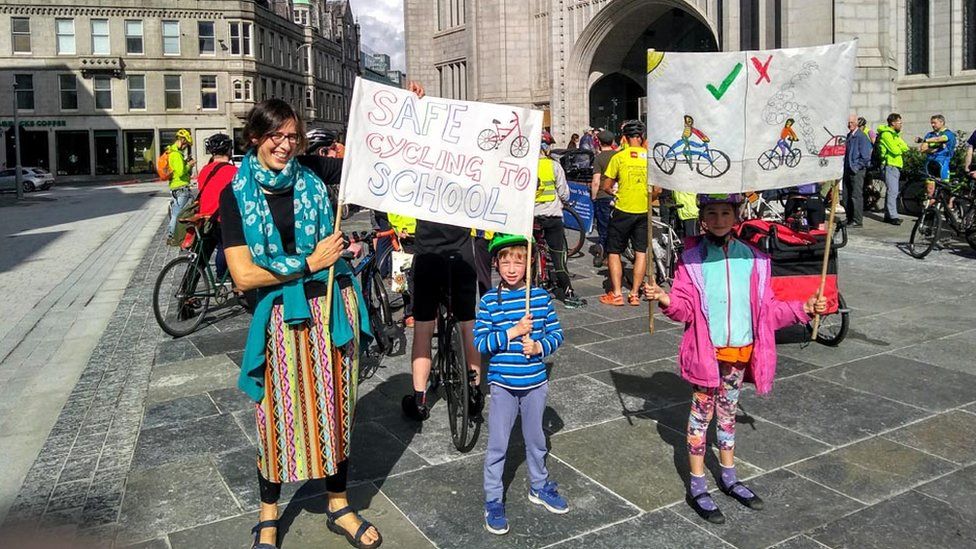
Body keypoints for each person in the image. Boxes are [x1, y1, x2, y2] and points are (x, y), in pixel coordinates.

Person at [219, 99, 379, 549]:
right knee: (275, 415)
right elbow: (243, 275)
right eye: (276, 135)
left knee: (337, 407)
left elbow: (373, 161)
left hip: (332, 305)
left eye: (292, 136)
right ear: (255, 137)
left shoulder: (309, 171)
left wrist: (406, 110)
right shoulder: (235, 194)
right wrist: (309, 262)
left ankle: (339, 504)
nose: (286, 145)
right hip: (278, 314)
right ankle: (268, 516)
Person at [643, 193, 827, 525]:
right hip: (707, 354)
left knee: (727, 416)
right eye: (711, 213)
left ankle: (729, 477)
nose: (719, 220)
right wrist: (665, 298)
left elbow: (768, 311)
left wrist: (804, 308)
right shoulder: (691, 260)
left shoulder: (755, 259)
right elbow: (686, 309)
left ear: (736, 216)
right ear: (702, 218)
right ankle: (698, 485)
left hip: (739, 355)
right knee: (701, 419)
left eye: (725, 213)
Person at [476, 234, 567, 535]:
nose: (512, 268)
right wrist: (513, 332)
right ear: (496, 264)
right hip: (503, 384)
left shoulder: (539, 298)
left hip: (534, 383)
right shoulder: (489, 301)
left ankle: (539, 485)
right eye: (505, 262)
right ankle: (493, 499)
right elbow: (481, 343)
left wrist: (539, 346)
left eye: (518, 261)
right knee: (498, 444)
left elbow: (556, 334)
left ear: (529, 263)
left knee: (536, 438)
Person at [401, 217, 484, 422]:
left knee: (424, 326)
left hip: (428, 254)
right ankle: (474, 392)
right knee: (468, 323)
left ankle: (419, 399)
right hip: (461, 254)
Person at [599, 120, 649, 307]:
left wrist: (615, 192)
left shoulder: (619, 157)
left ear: (625, 138)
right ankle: (635, 294)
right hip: (643, 210)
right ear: (641, 137)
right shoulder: (650, 158)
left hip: (623, 209)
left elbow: (606, 185)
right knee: (641, 252)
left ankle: (617, 293)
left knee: (614, 251)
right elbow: (657, 190)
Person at [536, 141, 586, 308]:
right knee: (558, 256)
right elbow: (564, 193)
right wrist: (563, 201)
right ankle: (568, 292)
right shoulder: (553, 166)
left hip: (531, 218)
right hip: (552, 215)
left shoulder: (526, 166)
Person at [196, 133, 237, 280]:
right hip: (221, 218)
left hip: (205, 219)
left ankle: (187, 288)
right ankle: (222, 278)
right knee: (226, 247)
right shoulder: (233, 172)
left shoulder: (204, 170)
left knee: (201, 257)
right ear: (229, 150)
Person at [876, 113, 910, 225]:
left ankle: (888, 215)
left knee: (891, 191)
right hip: (889, 165)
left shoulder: (895, 134)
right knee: (893, 192)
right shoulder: (886, 134)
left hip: (895, 165)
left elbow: (905, 147)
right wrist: (898, 147)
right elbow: (895, 150)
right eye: (899, 122)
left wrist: (898, 147)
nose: (901, 125)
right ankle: (893, 216)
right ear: (893, 123)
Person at [590, 130, 617, 267]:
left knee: (603, 226)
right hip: (617, 195)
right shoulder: (618, 156)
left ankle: (603, 253)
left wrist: (594, 196)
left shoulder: (599, 158)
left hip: (603, 195)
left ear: (599, 143)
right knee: (615, 226)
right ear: (612, 142)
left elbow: (596, 181)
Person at [166, 128, 196, 242]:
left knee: (176, 212)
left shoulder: (171, 152)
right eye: (186, 144)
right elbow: (180, 172)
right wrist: (189, 165)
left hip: (175, 187)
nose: (185, 147)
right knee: (178, 214)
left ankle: (174, 234)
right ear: (182, 140)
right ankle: (173, 236)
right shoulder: (176, 154)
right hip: (181, 188)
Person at [917, 114, 957, 198]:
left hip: (942, 163)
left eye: (934, 123)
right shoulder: (929, 134)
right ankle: (929, 204)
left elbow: (940, 139)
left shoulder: (948, 133)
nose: (932, 125)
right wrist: (936, 149)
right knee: (929, 189)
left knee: (944, 187)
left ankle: (947, 205)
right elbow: (922, 149)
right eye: (931, 123)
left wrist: (926, 141)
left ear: (941, 122)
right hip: (930, 163)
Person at [843, 114, 872, 228]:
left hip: (856, 171)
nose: (850, 124)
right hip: (847, 169)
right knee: (846, 196)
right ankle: (849, 218)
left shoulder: (861, 137)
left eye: (852, 122)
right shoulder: (849, 135)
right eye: (848, 122)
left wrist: (856, 167)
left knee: (856, 196)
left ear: (857, 123)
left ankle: (857, 220)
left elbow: (866, 157)